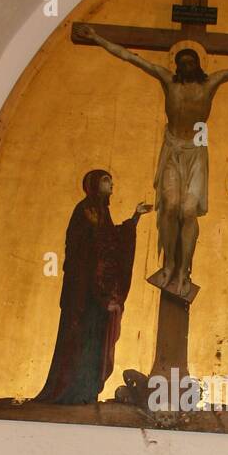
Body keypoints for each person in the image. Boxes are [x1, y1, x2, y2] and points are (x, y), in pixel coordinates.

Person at [77, 23, 228, 300]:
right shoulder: (166, 79)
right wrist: (97, 38)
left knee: (188, 212)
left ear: (198, 64)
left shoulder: (211, 83)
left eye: (191, 61)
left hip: (196, 151)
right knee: (171, 207)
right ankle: (169, 266)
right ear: (177, 66)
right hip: (173, 149)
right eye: (182, 62)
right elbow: (129, 56)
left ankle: (184, 271)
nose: (186, 65)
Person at [35, 170, 151, 404]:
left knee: (92, 341)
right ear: (95, 184)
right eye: (107, 181)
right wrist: (100, 288)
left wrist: (135, 218)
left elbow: (110, 241)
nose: (111, 185)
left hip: (95, 293)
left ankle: (85, 392)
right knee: (81, 340)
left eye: (111, 181)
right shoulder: (85, 210)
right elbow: (84, 249)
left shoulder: (101, 211)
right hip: (84, 293)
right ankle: (71, 391)